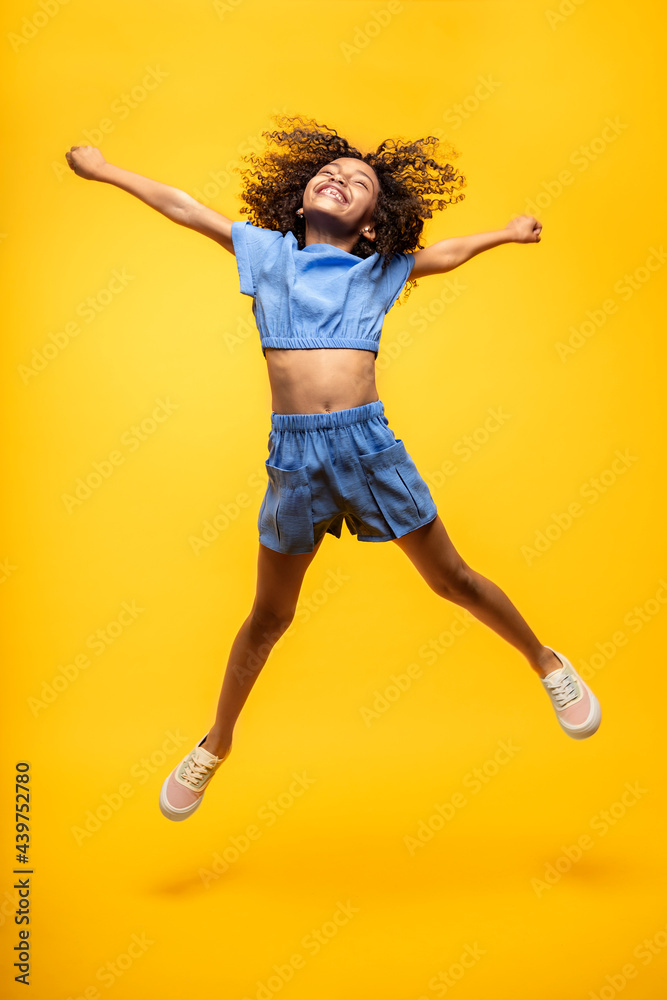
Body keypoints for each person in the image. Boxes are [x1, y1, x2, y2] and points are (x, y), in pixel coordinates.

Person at [65, 113, 601, 824]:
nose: (339, 178)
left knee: (453, 580)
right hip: (294, 460)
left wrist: (504, 233)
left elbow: (444, 255)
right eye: (330, 172)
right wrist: (104, 170)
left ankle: (545, 662)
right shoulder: (265, 254)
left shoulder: (379, 270)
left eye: (359, 182)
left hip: (369, 449)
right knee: (267, 617)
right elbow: (183, 207)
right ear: (300, 198)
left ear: (374, 226)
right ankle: (214, 744)